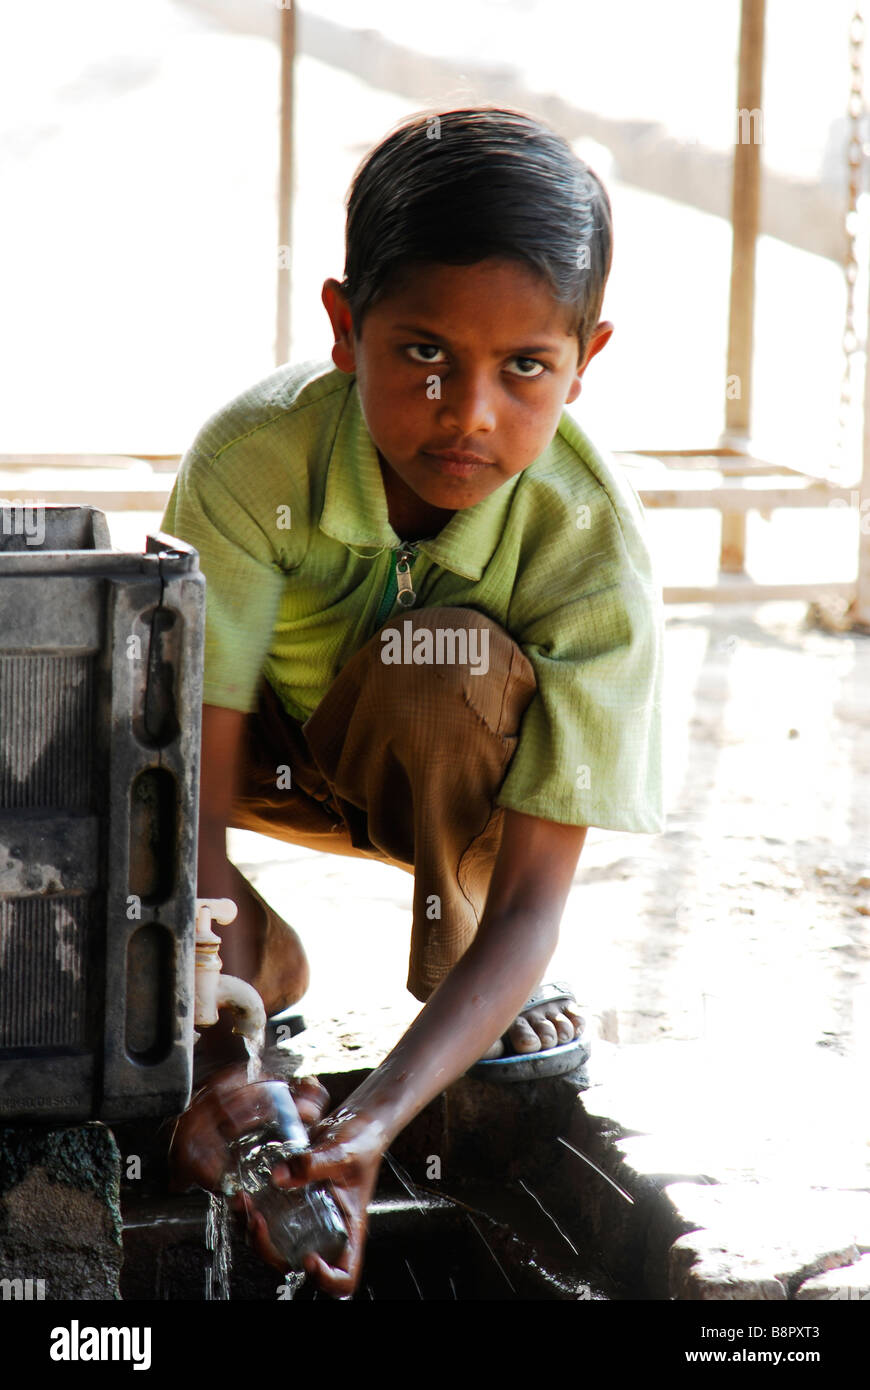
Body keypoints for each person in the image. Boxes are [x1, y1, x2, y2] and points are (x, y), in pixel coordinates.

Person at [164, 106, 663, 1298]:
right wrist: (221, 1049)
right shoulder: (256, 459)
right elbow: (182, 779)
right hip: (259, 759)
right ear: (347, 328)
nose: (470, 411)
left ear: (586, 358)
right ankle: (255, 960)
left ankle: (458, 973)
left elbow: (541, 902)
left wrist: (368, 1125)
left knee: (446, 664)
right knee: (85, 698)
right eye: (425, 353)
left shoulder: (589, 548)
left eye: (525, 367)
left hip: (438, 768)